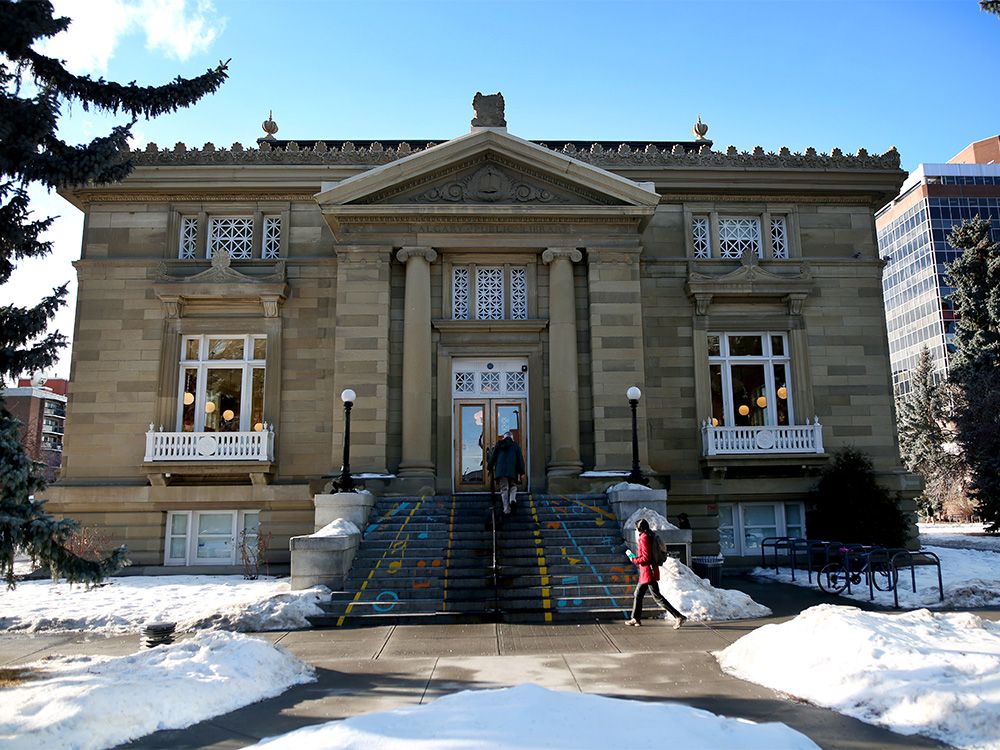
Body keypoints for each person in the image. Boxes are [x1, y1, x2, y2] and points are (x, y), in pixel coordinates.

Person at [626, 518, 687, 628]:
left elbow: (646, 557)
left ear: (639, 528)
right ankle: (635, 618)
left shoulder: (643, 538)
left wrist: (634, 559)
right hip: (649, 571)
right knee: (638, 594)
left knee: (657, 597)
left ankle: (678, 616)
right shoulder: (650, 535)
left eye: (636, 527)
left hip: (648, 572)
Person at [486, 431, 525, 514]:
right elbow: (520, 460)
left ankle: (506, 509)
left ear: (503, 437)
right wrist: (522, 472)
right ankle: (512, 499)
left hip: (501, 471)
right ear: (512, 438)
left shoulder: (498, 445)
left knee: (504, 489)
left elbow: (493, 458)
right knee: (513, 486)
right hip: (512, 471)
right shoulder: (515, 446)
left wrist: (489, 467)